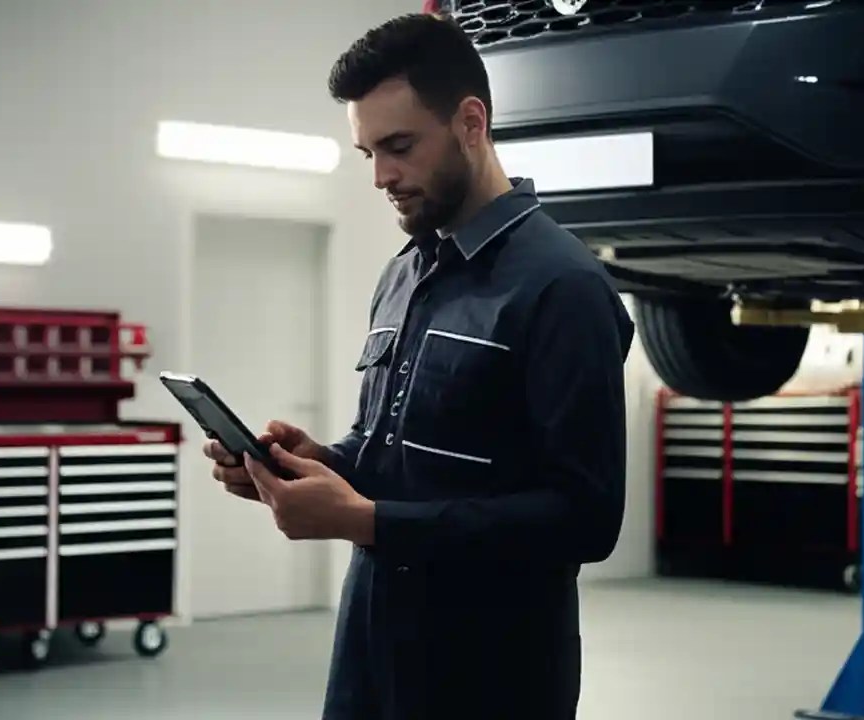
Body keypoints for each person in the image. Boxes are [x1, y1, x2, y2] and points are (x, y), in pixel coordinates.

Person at [203, 12, 635, 720]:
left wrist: (369, 521)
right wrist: (319, 464)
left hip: (492, 677)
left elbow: (586, 520)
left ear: (471, 122)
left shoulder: (564, 288)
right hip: (371, 659)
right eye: (366, 152)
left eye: (398, 146)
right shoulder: (402, 275)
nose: (380, 176)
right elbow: (395, 457)